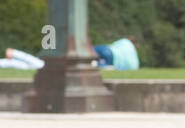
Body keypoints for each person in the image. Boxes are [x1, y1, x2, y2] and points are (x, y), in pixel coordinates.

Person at [2, 38, 140, 70]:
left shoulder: (126, 44)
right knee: (35, 64)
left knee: (33, 65)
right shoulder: (133, 59)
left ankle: (14, 54)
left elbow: (115, 44)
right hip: (111, 60)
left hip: (107, 50)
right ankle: (14, 53)